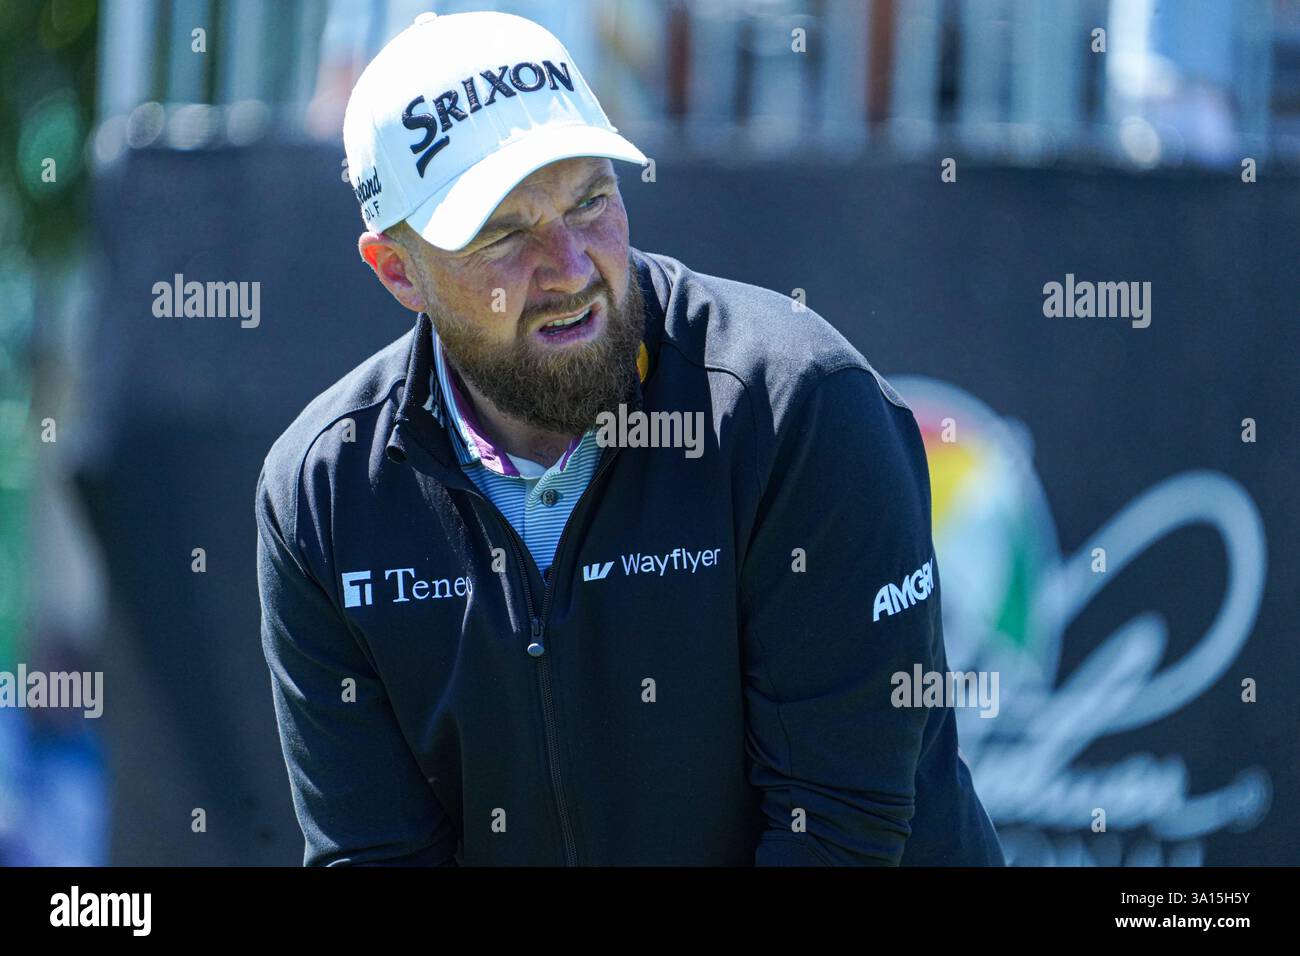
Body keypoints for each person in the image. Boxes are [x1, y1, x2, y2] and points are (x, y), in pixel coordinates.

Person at [255, 9, 1005, 866]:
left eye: (591, 201)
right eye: (503, 234)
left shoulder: (793, 403)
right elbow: (374, 855)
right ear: (398, 271)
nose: (570, 268)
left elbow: (837, 833)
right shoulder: (320, 494)